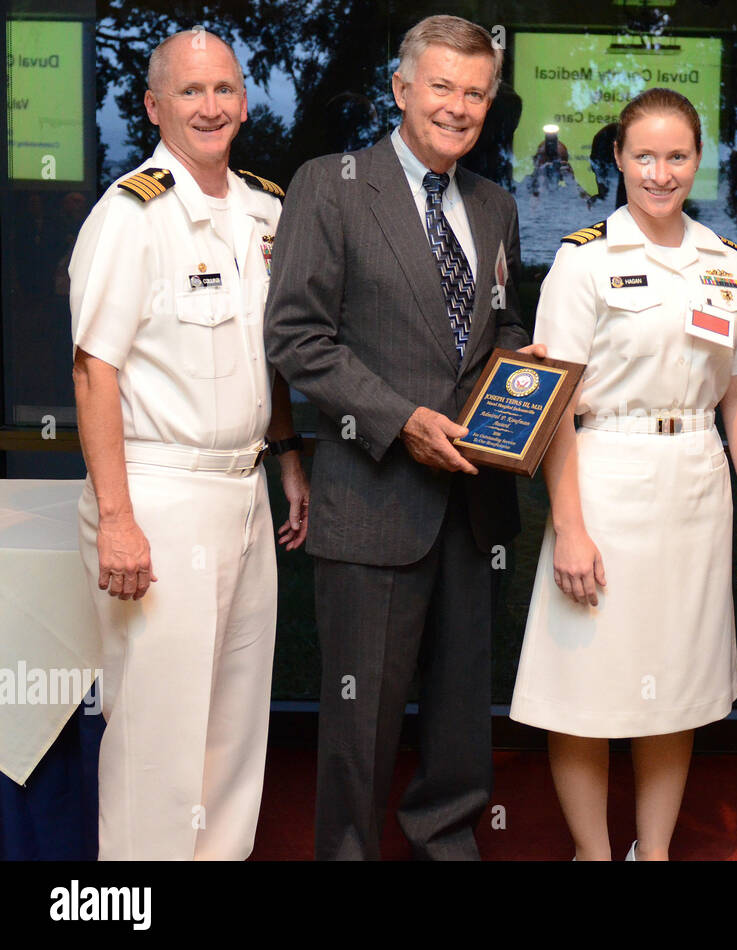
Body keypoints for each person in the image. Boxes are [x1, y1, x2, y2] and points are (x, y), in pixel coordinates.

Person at [264, 15, 544, 860]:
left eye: (476, 92)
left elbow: (498, 327)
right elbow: (297, 336)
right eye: (442, 88)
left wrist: (524, 371)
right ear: (401, 89)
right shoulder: (331, 184)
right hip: (375, 499)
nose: (459, 108)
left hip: (474, 505)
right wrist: (400, 421)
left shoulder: (494, 205)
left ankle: (448, 847)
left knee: (462, 719)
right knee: (361, 722)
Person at [509, 88, 737, 861]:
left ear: (699, 161)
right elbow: (553, 401)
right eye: (644, 156)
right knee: (585, 688)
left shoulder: (724, 263)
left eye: (678, 156)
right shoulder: (585, 258)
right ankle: (595, 854)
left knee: (675, 686)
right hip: (605, 479)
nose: (661, 173)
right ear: (618, 159)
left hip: (695, 483)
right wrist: (570, 528)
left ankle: (649, 854)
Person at [69, 28, 308, 860]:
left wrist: (287, 457)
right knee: (159, 735)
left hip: (243, 491)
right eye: (191, 92)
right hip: (159, 493)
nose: (212, 107)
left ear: (243, 100)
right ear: (154, 106)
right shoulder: (130, 216)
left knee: (233, 731)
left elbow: (269, 359)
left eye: (225, 89)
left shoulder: (265, 212)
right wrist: (117, 518)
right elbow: (94, 370)